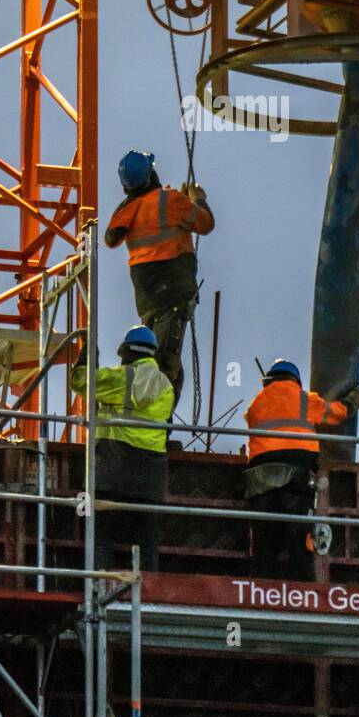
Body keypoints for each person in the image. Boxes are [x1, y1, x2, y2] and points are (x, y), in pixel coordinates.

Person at [105, 150, 214, 402]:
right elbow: (206, 224)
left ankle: (147, 419)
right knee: (165, 364)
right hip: (174, 292)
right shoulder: (170, 201)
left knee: (152, 359)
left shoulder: (128, 209)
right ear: (150, 173)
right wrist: (198, 199)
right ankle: (156, 427)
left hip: (148, 298)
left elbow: (111, 238)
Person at [244, 359, 359, 581]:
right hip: (296, 477)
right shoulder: (303, 400)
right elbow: (334, 413)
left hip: (261, 480)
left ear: (269, 380)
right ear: (295, 381)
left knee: (264, 542)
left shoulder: (255, 405)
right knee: (298, 539)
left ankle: (258, 593)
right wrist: (352, 402)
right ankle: (301, 594)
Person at [70, 325, 174, 571]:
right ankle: (149, 591)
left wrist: (87, 359)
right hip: (152, 472)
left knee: (100, 530)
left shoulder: (120, 378)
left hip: (114, 464)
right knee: (147, 538)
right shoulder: (166, 386)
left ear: (125, 350)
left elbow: (80, 382)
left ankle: (99, 587)